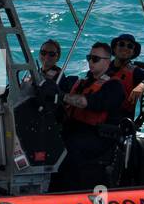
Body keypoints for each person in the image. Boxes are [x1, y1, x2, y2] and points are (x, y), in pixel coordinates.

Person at [52, 42, 127, 190]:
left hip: (100, 136)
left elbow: (86, 102)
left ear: (107, 61)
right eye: (89, 58)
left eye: (95, 59)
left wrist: (61, 96)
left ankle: (66, 191)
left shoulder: (114, 86)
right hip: (76, 129)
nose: (90, 62)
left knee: (70, 149)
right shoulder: (85, 82)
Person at [108, 32, 144, 115]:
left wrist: (142, 85)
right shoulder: (104, 67)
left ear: (133, 52)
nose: (125, 48)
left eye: (130, 46)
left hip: (118, 120)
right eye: (121, 44)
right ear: (114, 48)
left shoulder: (135, 71)